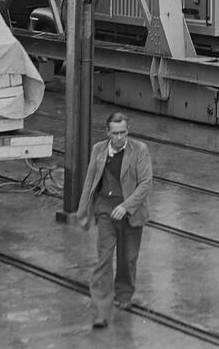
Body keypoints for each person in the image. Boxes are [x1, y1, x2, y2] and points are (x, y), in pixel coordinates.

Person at [77, 110, 153, 329]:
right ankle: (101, 311)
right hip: (105, 209)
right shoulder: (98, 150)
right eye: (115, 133)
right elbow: (90, 181)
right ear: (107, 132)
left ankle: (124, 294)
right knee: (104, 259)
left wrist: (126, 206)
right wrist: (83, 213)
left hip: (131, 211)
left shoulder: (139, 150)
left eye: (123, 133)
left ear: (128, 131)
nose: (120, 138)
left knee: (128, 258)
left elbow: (145, 184)